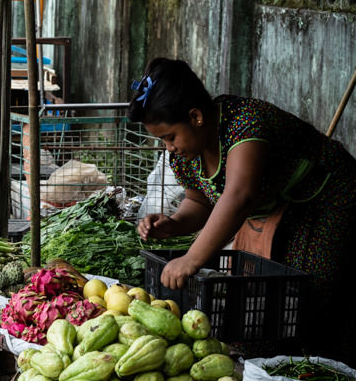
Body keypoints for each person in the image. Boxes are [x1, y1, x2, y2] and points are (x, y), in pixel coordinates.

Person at [130, 58, 356, 359]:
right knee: (281, 295)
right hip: (288, 204)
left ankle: (332, 373)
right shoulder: (185, 155)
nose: (168, 147)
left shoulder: (244, 125)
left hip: (332, 194)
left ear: (195, 116)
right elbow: (199, 203)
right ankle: (288, 365)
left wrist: (191, 259)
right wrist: (172, 224)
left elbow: (238, 196)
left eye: (170, 137)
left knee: (314, 292)